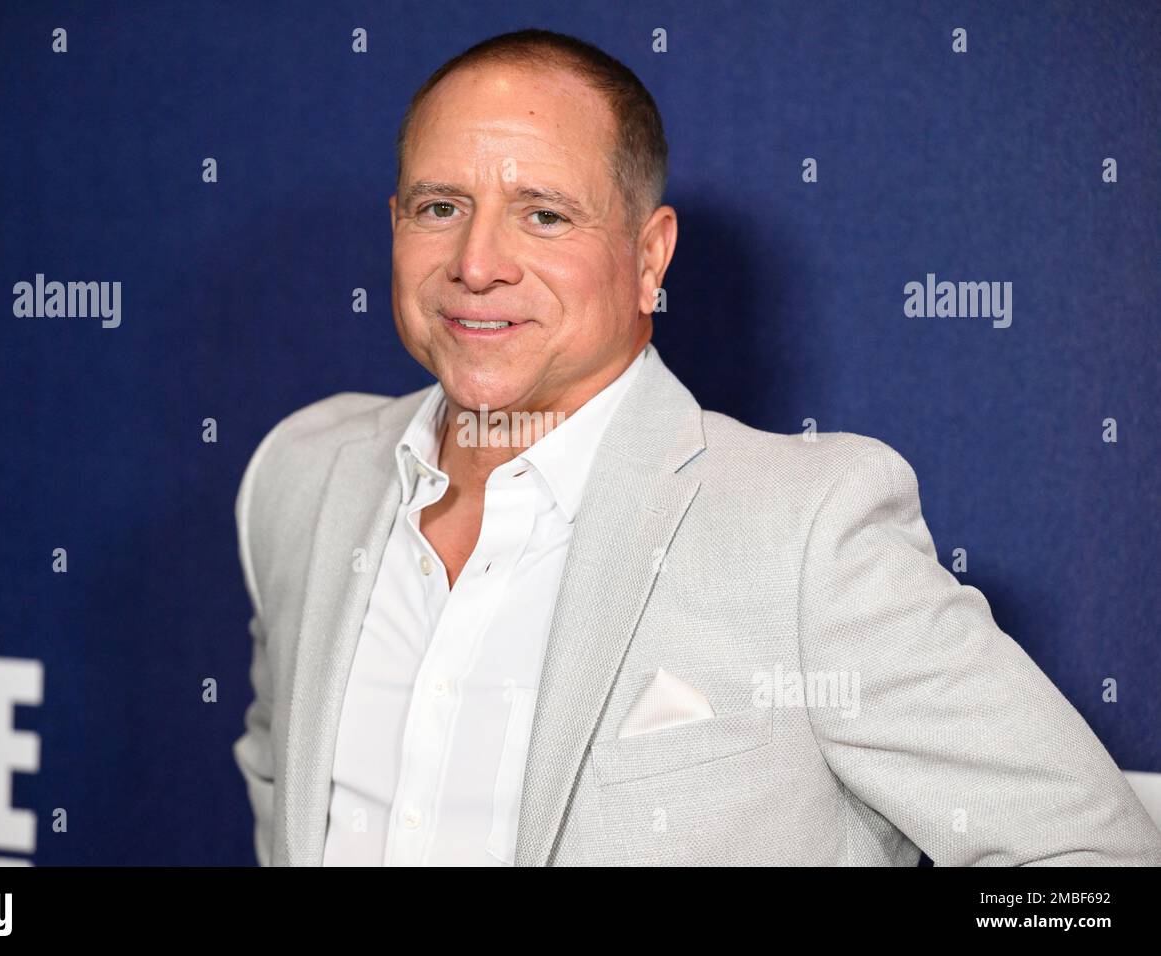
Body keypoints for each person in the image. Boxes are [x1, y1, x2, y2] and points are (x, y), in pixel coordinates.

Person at [231, 28, 1161, 866]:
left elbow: (1089, 865)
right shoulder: (302, 476)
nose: (477, 263)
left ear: (648, 258)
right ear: (396, 224)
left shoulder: (808, 533)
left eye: (544, 214)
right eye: (440, 207)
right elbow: (288, 790)